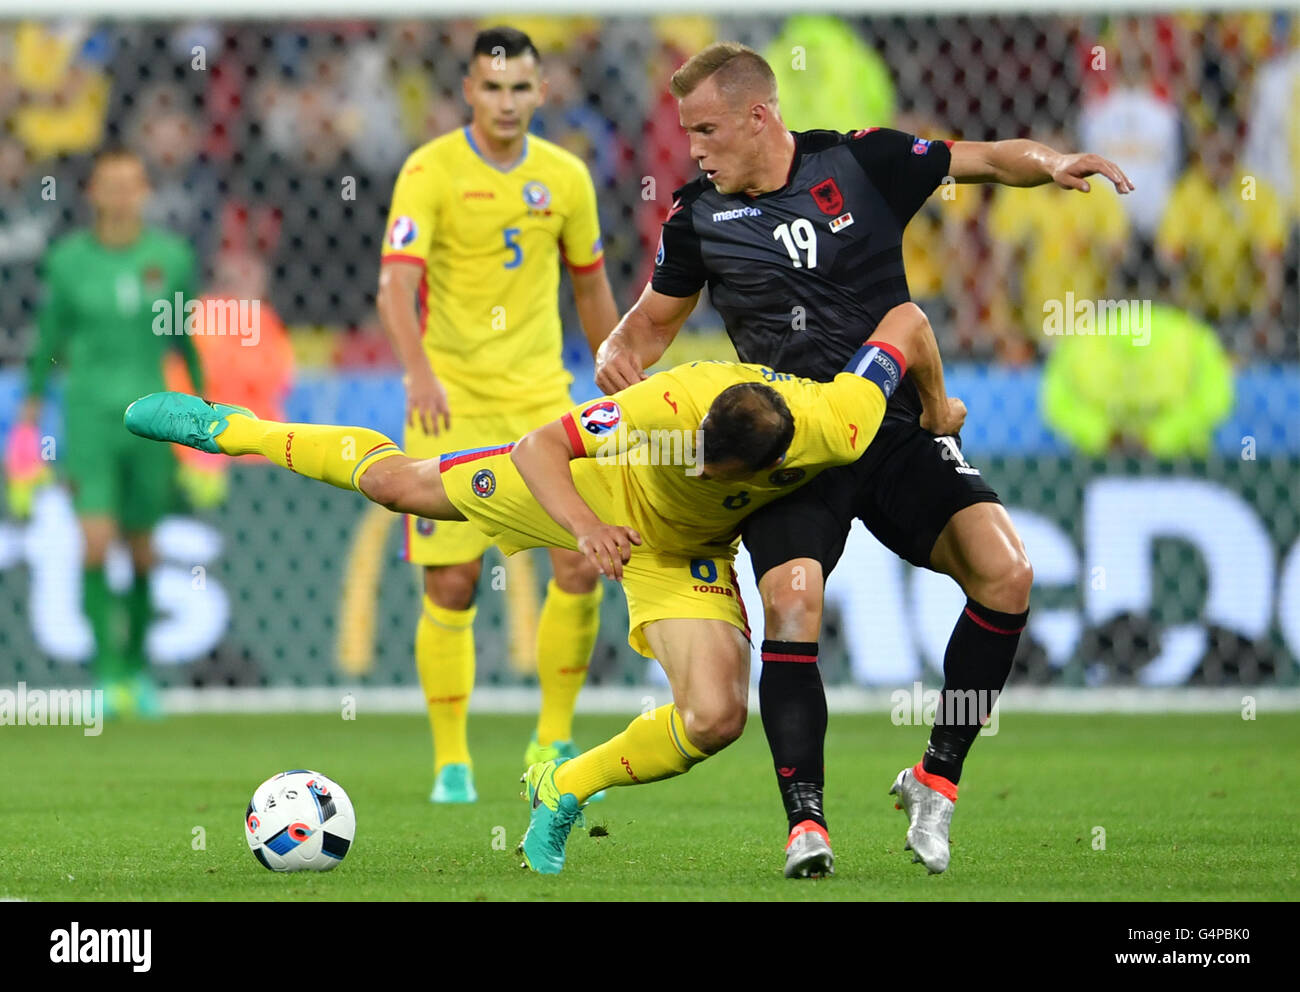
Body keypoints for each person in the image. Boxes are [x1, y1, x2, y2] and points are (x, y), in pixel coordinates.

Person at [125, 301, 961, 873]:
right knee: (400, 486)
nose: (699, 464)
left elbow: (909, 322)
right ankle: (234, 428)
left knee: (716, 718)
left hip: (683, 556)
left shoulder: (840, 420)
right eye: (698, 453)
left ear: (775, 466)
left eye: (717, 467)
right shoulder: (673, 405)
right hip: (594, 498)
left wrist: (936, 406)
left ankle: (562, 785)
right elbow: (538, 449)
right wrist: (587, 528)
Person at [595, 42, 1134, 877]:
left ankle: (935, 779)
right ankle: (805, 824)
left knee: (1008, 574)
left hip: (892, 430)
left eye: (705, 129)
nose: (693, 149)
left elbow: (983, 159)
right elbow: (646, 328)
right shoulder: (697, 215)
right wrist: (616, 353)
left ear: (758, 116)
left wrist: (1056, 161)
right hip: (791, 448)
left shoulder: (862, 160)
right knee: (795, 601)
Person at [375, 27, 621, 803]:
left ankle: (552, 735)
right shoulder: (430, 169)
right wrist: (418, 374)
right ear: (468, 92)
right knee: (452, 582)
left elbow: (589, 289)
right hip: (452, 403)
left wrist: (615, 378)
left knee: (580, 559)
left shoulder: (567, 178)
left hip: (542, 400)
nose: (507, 102)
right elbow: (393, 285)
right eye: (493, 87)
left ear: (542, 92)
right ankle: (452, 760)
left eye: (521, 88)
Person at [18, 146, 203, 717]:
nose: (121, 196)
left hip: (154, 416)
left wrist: (206, 412)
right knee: (95, 541)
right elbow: (49, 341)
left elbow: (185, 341)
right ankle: (107, 672)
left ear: (145, 192)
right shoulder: (69, 261)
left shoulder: (171, 258)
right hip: (90, 417)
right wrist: (29, 411)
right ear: (92, 194)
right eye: (110, 185)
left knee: (144, 549)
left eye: (132, 184)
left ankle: (139, 667)